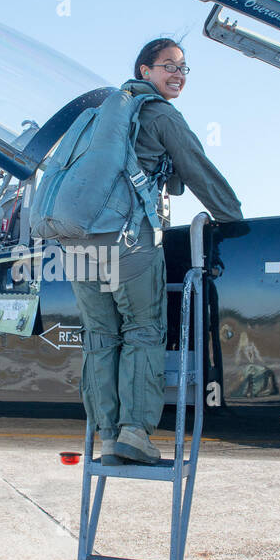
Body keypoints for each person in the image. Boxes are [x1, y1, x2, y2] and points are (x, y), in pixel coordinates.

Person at [65, 39, 243, 464]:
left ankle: (109, 438)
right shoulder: (159, 114)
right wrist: (234, 220)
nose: (178, 74)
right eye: (169, 66)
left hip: (78, 244)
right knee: (143, 330)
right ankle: (135, 433)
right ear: (145, 71)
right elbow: (199, 170)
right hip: (128, 241)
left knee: (100, 337)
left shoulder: (99, 117)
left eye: (183, 68)